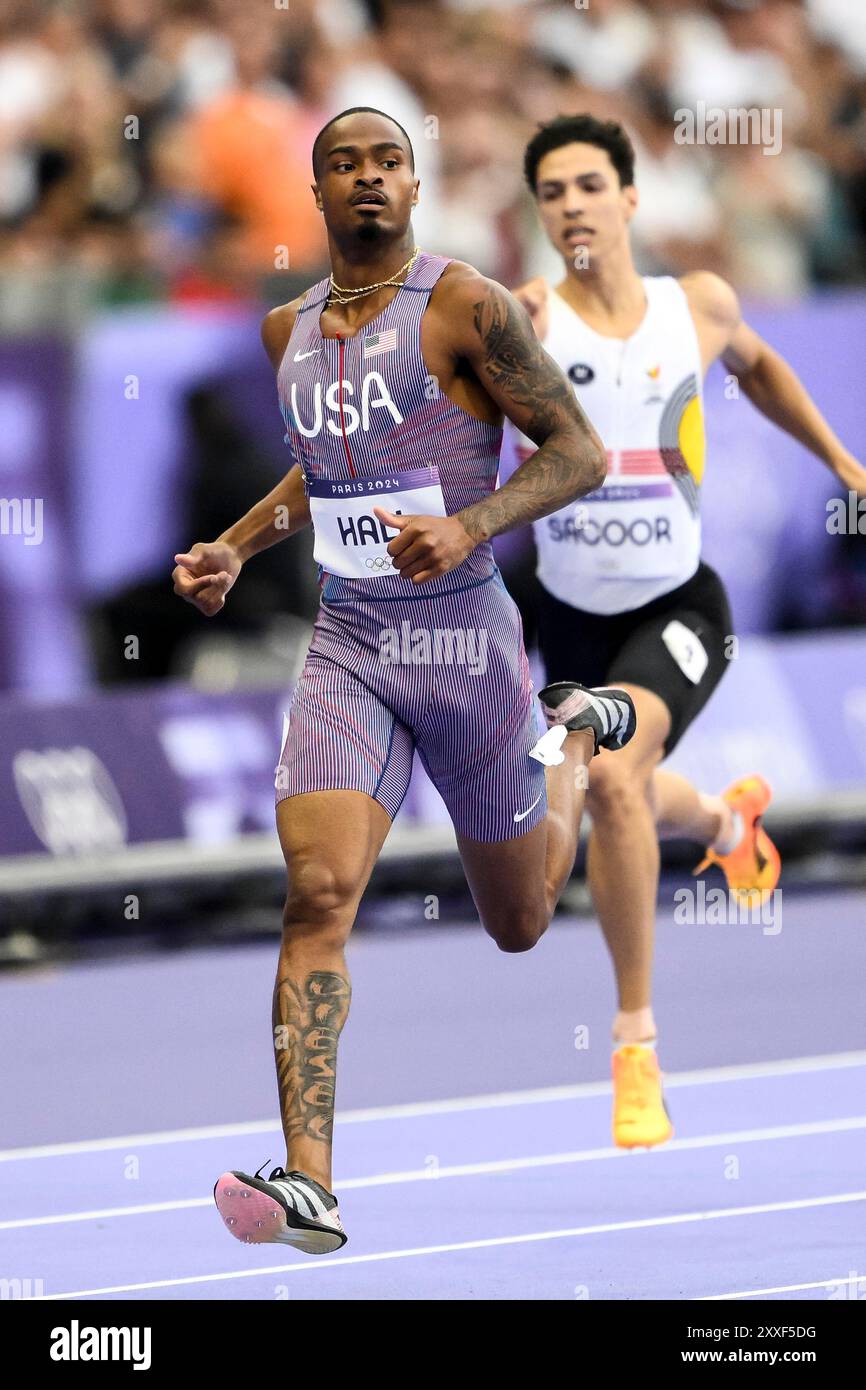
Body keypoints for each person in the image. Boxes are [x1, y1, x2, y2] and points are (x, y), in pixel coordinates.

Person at [172, 107, 637, 1253]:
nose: (368, 178)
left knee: (520, 922)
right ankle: (310, 1182)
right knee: (318, 895)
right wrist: (235, 545)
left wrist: (472, 520)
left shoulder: (466, 304)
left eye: (387, 161)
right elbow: (322, 473)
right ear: (317, 194)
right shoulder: (287, 327)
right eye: (345, 164)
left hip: (468, 644)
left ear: (414, 183)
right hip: (350, 647)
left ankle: (572, 736)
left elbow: (578, 451)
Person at [511, 113, 866, 1149]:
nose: (570, 204)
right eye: (550, 192)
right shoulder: (526, 318)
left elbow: (756, 370)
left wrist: (842, 464)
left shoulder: (697, 305)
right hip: (564, 618)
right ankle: (721, 823)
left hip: (679, 606)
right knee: (592, 803)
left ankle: (634, 1048)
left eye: (587, 185)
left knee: (613, 777)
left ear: (629, 199)